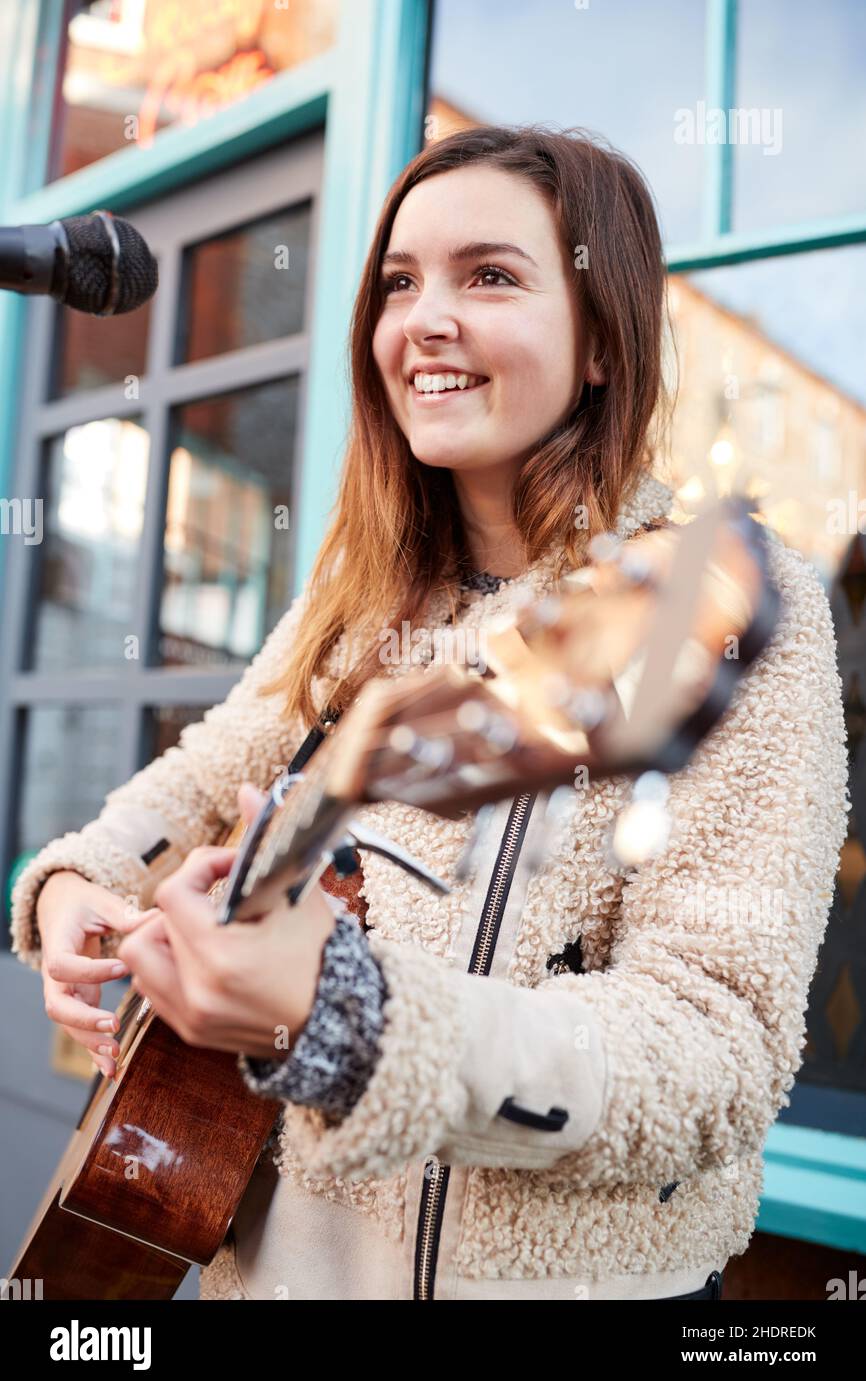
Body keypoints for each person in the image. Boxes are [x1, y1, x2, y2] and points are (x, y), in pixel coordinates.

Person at [11, 125, 848, 1301]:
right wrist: (76, 884)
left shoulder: (713, 600)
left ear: (601, 337)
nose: (422, 321)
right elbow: (198, 783)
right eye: (398, 284)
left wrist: (353, 1019)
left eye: (489, 276)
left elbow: (713, 1051)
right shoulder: (357, 591)